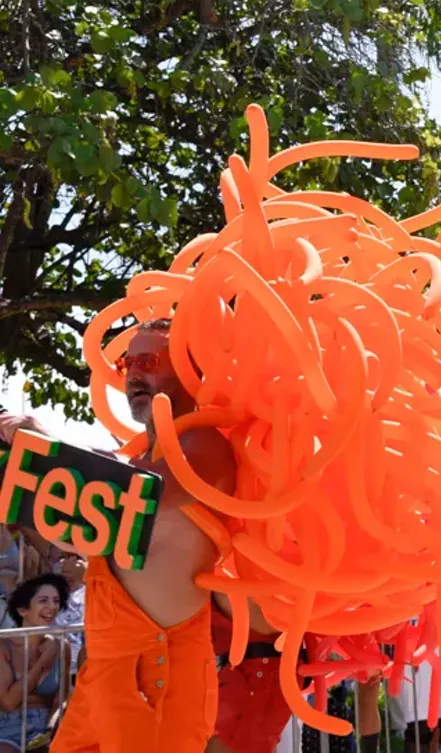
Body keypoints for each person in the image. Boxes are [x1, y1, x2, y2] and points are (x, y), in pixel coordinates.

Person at [34, 318, 237, 753]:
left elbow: (133, 497)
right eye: (128, 363)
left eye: (147, 360)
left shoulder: (205, 445)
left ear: (190, 367)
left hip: (157, 676)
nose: (134, 375)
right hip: (108, 671)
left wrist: (43, 441)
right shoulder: (142, 453)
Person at [207, 593, 290, 753]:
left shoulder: (263, 741)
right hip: (254, 628)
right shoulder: (226, 729)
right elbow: (235, 686)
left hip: (283, 635)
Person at [0, 573, 67, 751]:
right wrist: (44, 660)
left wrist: (52, 728)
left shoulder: (62, 646)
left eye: (56, 601)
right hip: (7, 726)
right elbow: (8, 702)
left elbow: (61, 698)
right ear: (23, 610)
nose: (52, 607)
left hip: (46, 725)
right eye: (43, 600)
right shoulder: (3, 645)